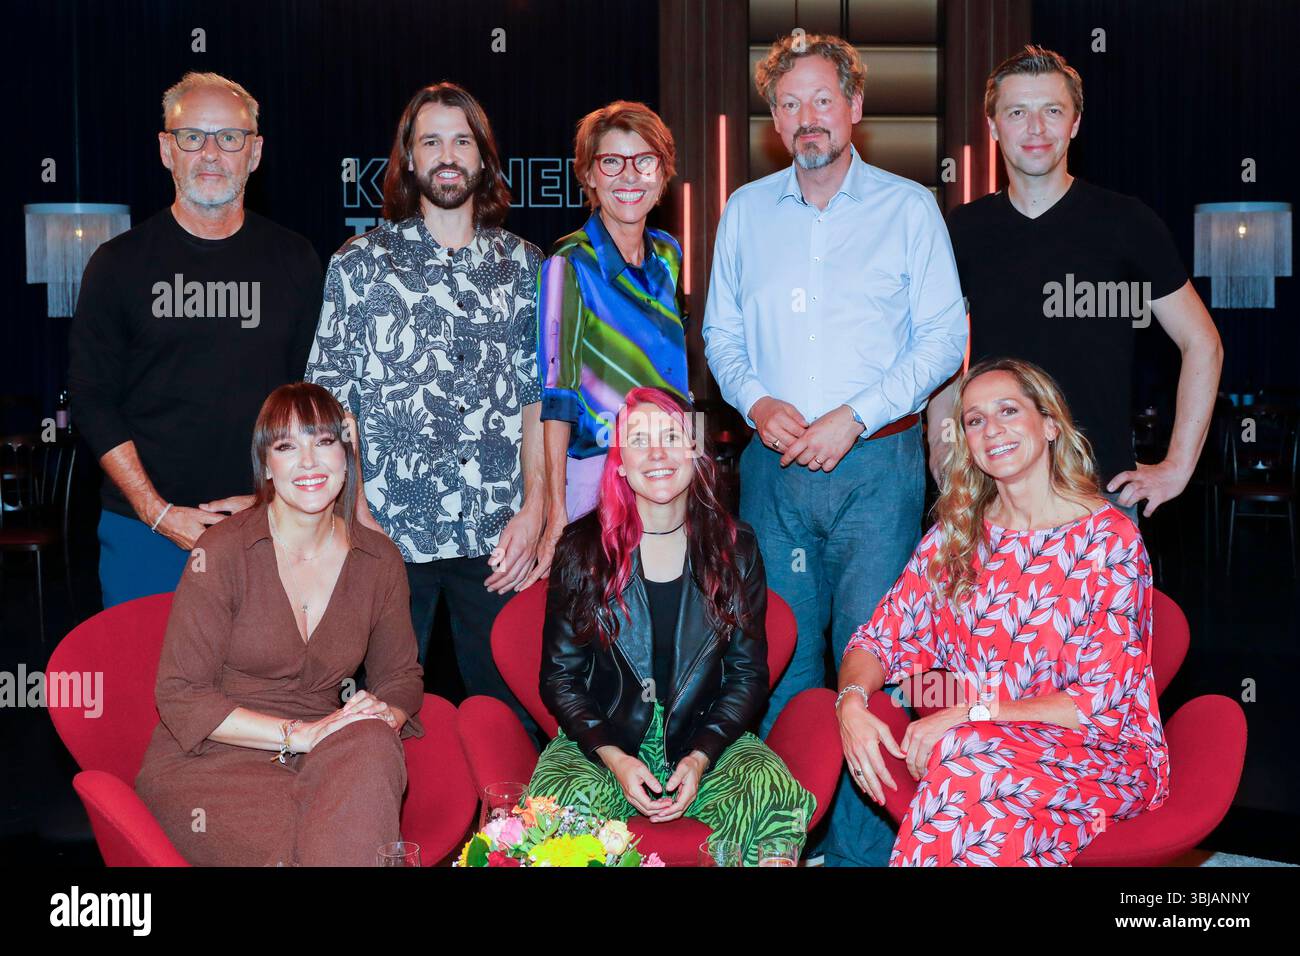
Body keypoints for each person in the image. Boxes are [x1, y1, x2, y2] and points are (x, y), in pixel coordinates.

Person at [702, 32, 967, 866]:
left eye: (823, 100)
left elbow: (943, 337)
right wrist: (755, 398)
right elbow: (719, 334)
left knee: (873, 659)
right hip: (772, 471)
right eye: (790, 104)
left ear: (855, 108)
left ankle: (861, 852)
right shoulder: (745, 209)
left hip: (877, 468)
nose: (807, 118)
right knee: (778, 657)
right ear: (774, 120)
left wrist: (856, 414)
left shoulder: (909, 207)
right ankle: (784, 836)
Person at [837, 358, 1169, 866]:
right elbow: (879, 637)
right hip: (980, 746)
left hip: (1101, 754)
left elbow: (1098, 701)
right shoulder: (956, 537)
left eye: (1008, 411)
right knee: (981, 799)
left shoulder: (1108, 540)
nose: (992, 429)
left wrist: (971, 716)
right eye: (974, 420)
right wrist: (852, 702)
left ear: (1051, 424)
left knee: (965, 768)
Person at [305, 83, 544, 728]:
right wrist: (353, 510)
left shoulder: (524, 265)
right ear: (408, 159)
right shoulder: (358, 264)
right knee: (378, 719)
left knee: (510, 718)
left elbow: (535, 402)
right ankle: (384, 834)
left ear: (484, 159)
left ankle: (514, 832)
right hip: (386, 536)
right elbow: (329, 405)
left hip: (495, 540)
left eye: (462, 140)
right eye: (430, 140)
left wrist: (537, 509)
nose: (447, 154)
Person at [135, 383, 425, 866]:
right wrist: (302, 735)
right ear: (266, 465)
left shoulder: (380, 561)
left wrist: (378, 717)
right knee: (311, 854)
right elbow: (181, 694)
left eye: (324, 441)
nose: (309, 462)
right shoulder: (221, 553)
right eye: (287, 446)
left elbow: (401, 678)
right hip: (210, 761)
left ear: (347, 455)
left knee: (372, 740)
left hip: (327, 751)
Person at [934, 46, 1222, 520]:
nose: (1035, 128)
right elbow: (942, 350)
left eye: (1052, 111)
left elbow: (1202, 342)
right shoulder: (963, 229)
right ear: (993, 127)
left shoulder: (1128, 222)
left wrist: (1177, 465)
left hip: (1099, 493)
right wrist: (940, 442)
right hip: (992, 493)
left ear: (1075, 123)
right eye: (1017, 112)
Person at [68, 72, 323, 607]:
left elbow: (315, 398)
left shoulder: (297, 261)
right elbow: (92, 401)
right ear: (167, 150)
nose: (211, 153)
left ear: (254, 154)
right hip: (145, 533)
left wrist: (272, 501)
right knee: (147, 686)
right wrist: (157, 512)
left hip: (272, 530)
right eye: (193, 137)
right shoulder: (117, 266)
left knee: (271, 690)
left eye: (229, 138)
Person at [532, 387, 815, 866]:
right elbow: (560, 678)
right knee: (557, 809)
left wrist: (701, 756)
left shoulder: (736, 547)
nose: (658, 452)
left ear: (693, 452)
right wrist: (615, 758)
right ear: (619, 462)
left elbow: (747, 675)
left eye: (671, 436)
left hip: (706, 736)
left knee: (773, 793)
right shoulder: (580, 548)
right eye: (639, 440)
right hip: (603, 739)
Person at [537, 101, 688, 540]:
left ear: (662, 174)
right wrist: (556, 510)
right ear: (588, 176)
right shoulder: (569, 263)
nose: (629, 176)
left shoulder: (669, 255)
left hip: (667, 467)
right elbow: (557, 393)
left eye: (644, 160)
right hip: (599, 473)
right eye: (611, 162)